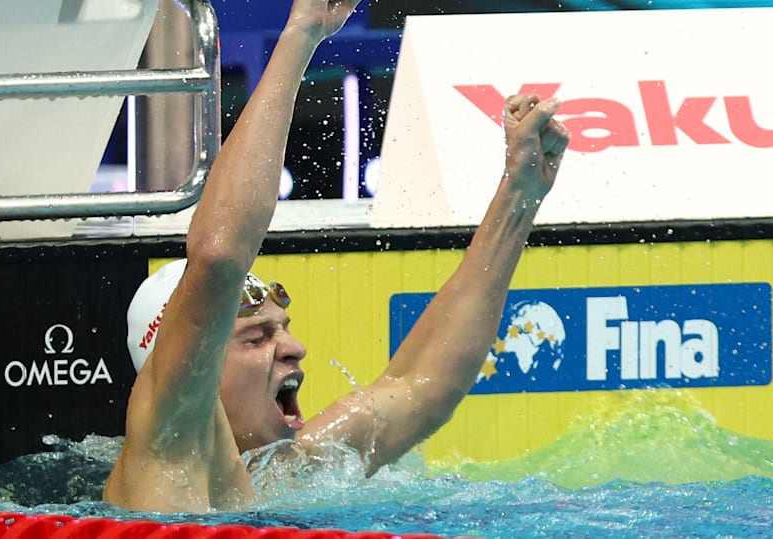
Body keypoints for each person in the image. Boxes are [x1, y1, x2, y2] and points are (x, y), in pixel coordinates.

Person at [103, 0, 570, 513]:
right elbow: (217, 258)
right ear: (182, 357)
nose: (294, 348)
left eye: (281, 328)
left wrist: (519, 194)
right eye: (256, 337)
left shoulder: (294, 472)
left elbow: (421, 387)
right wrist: (301, 34)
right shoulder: (164, 460)